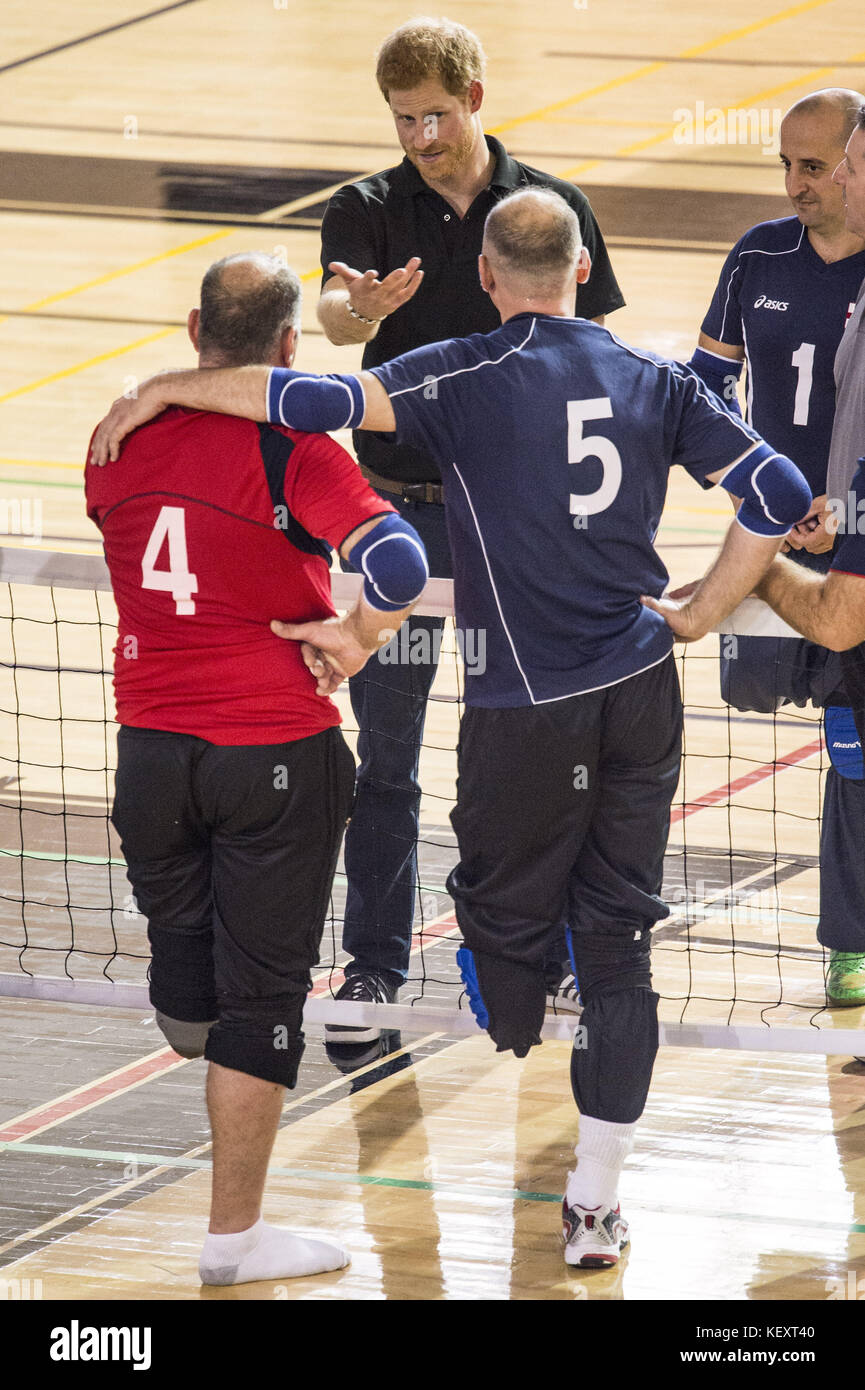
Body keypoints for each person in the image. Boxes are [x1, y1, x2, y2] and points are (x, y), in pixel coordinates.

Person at [89, 189, 813, 1268]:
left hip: (521, 707)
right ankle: (595, 1201)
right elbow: (778, 490)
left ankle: (529, 970)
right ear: (582, 269)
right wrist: (707, 604)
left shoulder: (462, 371)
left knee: (487, 914)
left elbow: (306, 396)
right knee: (619, 949)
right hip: (638, 684)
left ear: (485, 276)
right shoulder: (657, 379)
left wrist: (161, 386)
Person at [85, 253, 428, 1286]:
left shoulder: (114, 442)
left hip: (148, 755)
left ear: (195, 329)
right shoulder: (295, 450)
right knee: (262, 1004)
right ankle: (234, 1240)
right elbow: (400, 562)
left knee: (196, 1010)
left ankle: (198, 1010)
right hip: (272, 749)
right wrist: (358, 634)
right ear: (290, 348)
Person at [316, 16, 624, 1039]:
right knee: (388, 755)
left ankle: (558, 954)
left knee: (542, 748)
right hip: (402, 528)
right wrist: (358, 313)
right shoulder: (365, 210)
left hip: (518, 526)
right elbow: (332, 316)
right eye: (403, 119)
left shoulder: (546, 210)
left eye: (435, 114)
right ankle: (371, 968)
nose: (419, 135)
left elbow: (595, 352)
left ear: (476, 98)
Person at [685, 88, 865, 1006]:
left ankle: (849, 941)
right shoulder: (757, 254)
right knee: (755, 702)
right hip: (766, 540)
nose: (792, 184)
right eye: (783, 166)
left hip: (856, 544)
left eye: (811, 167)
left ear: (855, 161)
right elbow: (702, 390)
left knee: (850, 743)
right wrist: (744, 484)